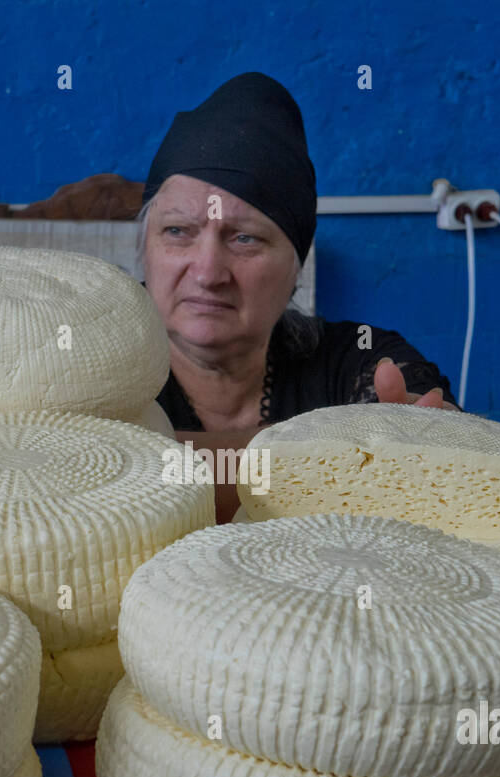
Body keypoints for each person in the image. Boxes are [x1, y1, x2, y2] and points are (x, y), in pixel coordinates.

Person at [137, 72, 458, 518]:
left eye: (244, 238)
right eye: (177, 231)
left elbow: (451, 460)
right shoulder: (90, 366)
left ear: (296, 270)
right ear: (144, 252)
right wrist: (352, 461)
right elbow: (69, 472)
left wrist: (435, 447)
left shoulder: (362, 359)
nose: (208, 273)